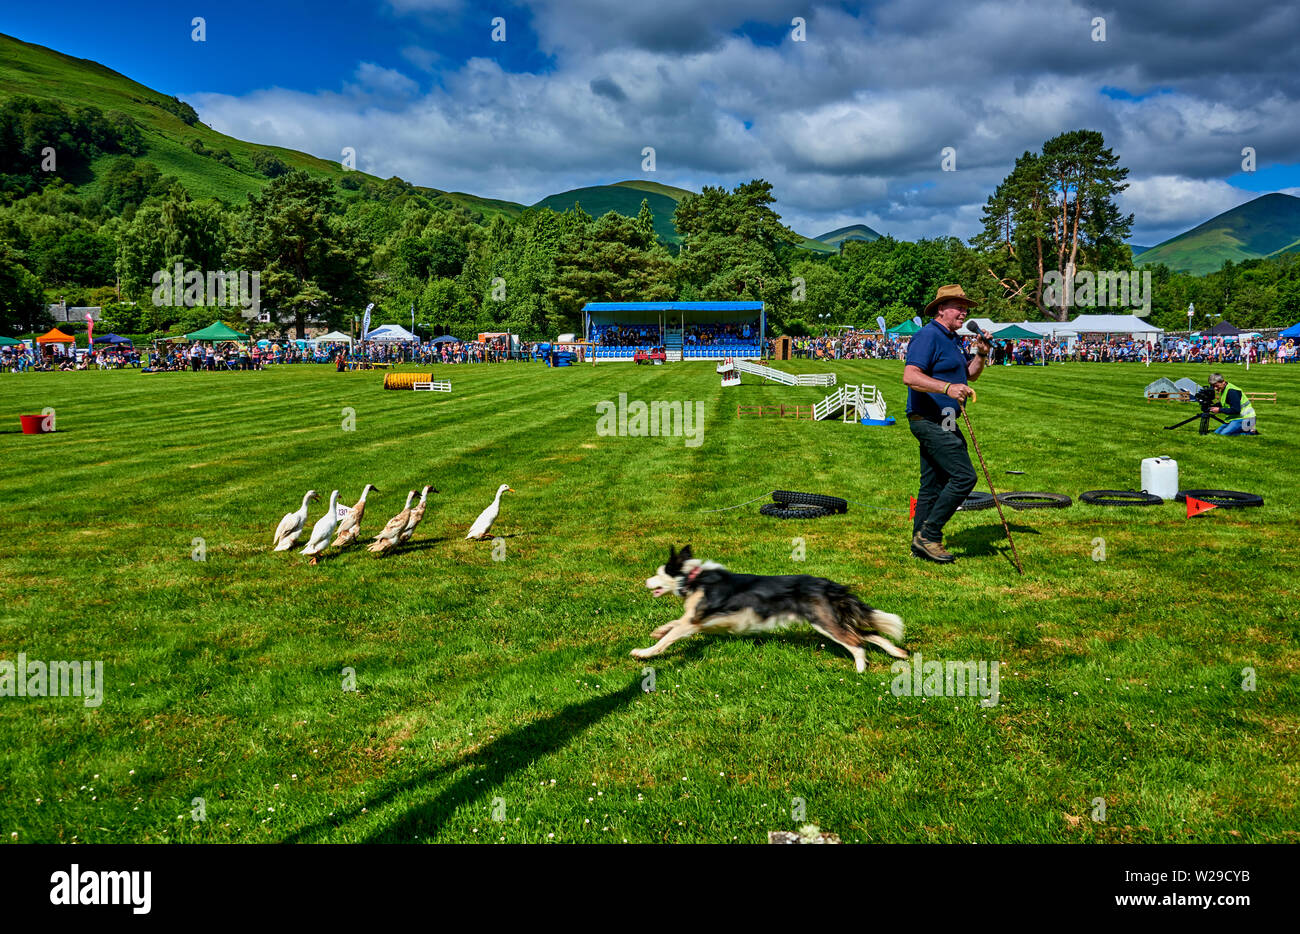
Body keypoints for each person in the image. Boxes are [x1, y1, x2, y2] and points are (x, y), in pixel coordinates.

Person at [902, 284, 992, 564]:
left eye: (965, 307)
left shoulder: (953, 339)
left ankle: (920, 541)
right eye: (958, 306)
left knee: (933, 483)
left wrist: (982, 353)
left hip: (946, 419)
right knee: (964, 476)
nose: (964, 311)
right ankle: (931, 534)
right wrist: (946, 388)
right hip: (927, 418)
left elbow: (970, 376)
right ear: (941, 309)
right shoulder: (927, 336)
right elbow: (910, 376)